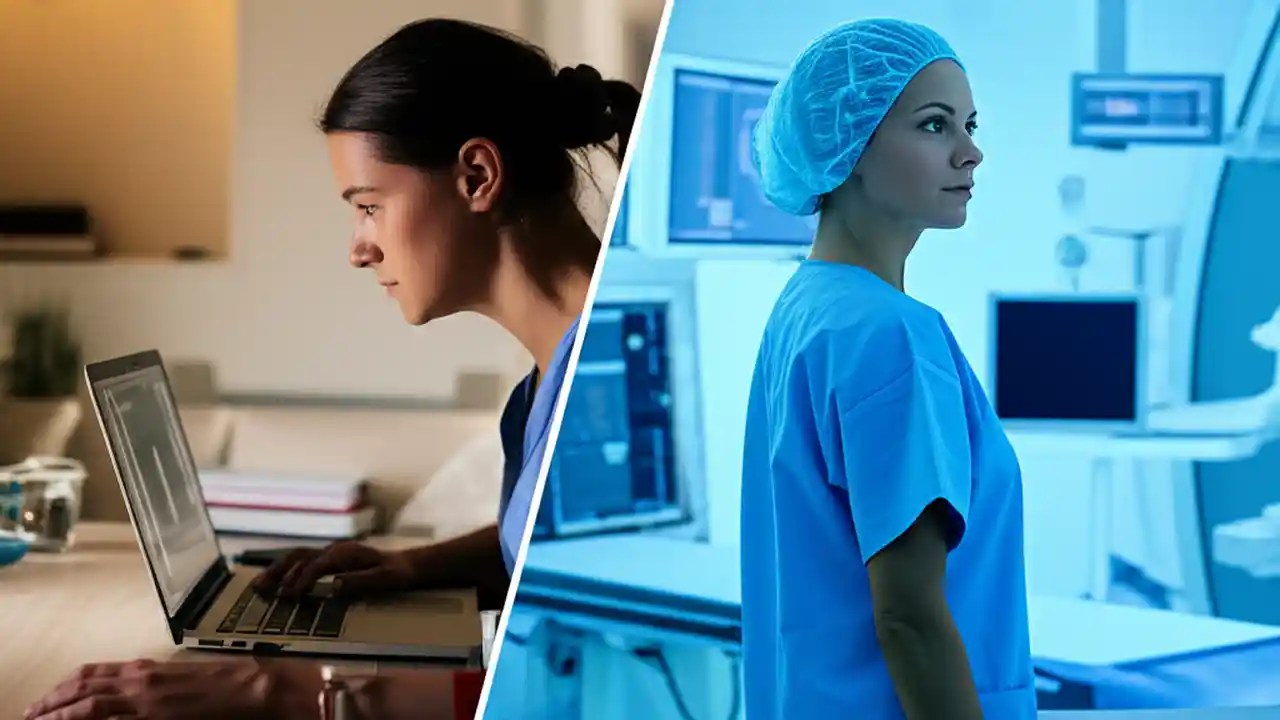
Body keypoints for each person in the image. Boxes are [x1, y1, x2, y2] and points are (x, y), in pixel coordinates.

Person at [25, 17, 638, 720]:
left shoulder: (620, 395)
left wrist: (282, 691)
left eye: (369, 207)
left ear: (477, 175)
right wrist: (410, 567)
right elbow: (550, 564)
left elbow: (596, 687)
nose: (358, 249)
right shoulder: (552, 381)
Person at [740, 18, 1036, 720]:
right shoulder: (892, 333)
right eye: (935, 125)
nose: (971, 152)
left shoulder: (806, 307)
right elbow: (910, 618)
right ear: (848, 143)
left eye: (969, 125)